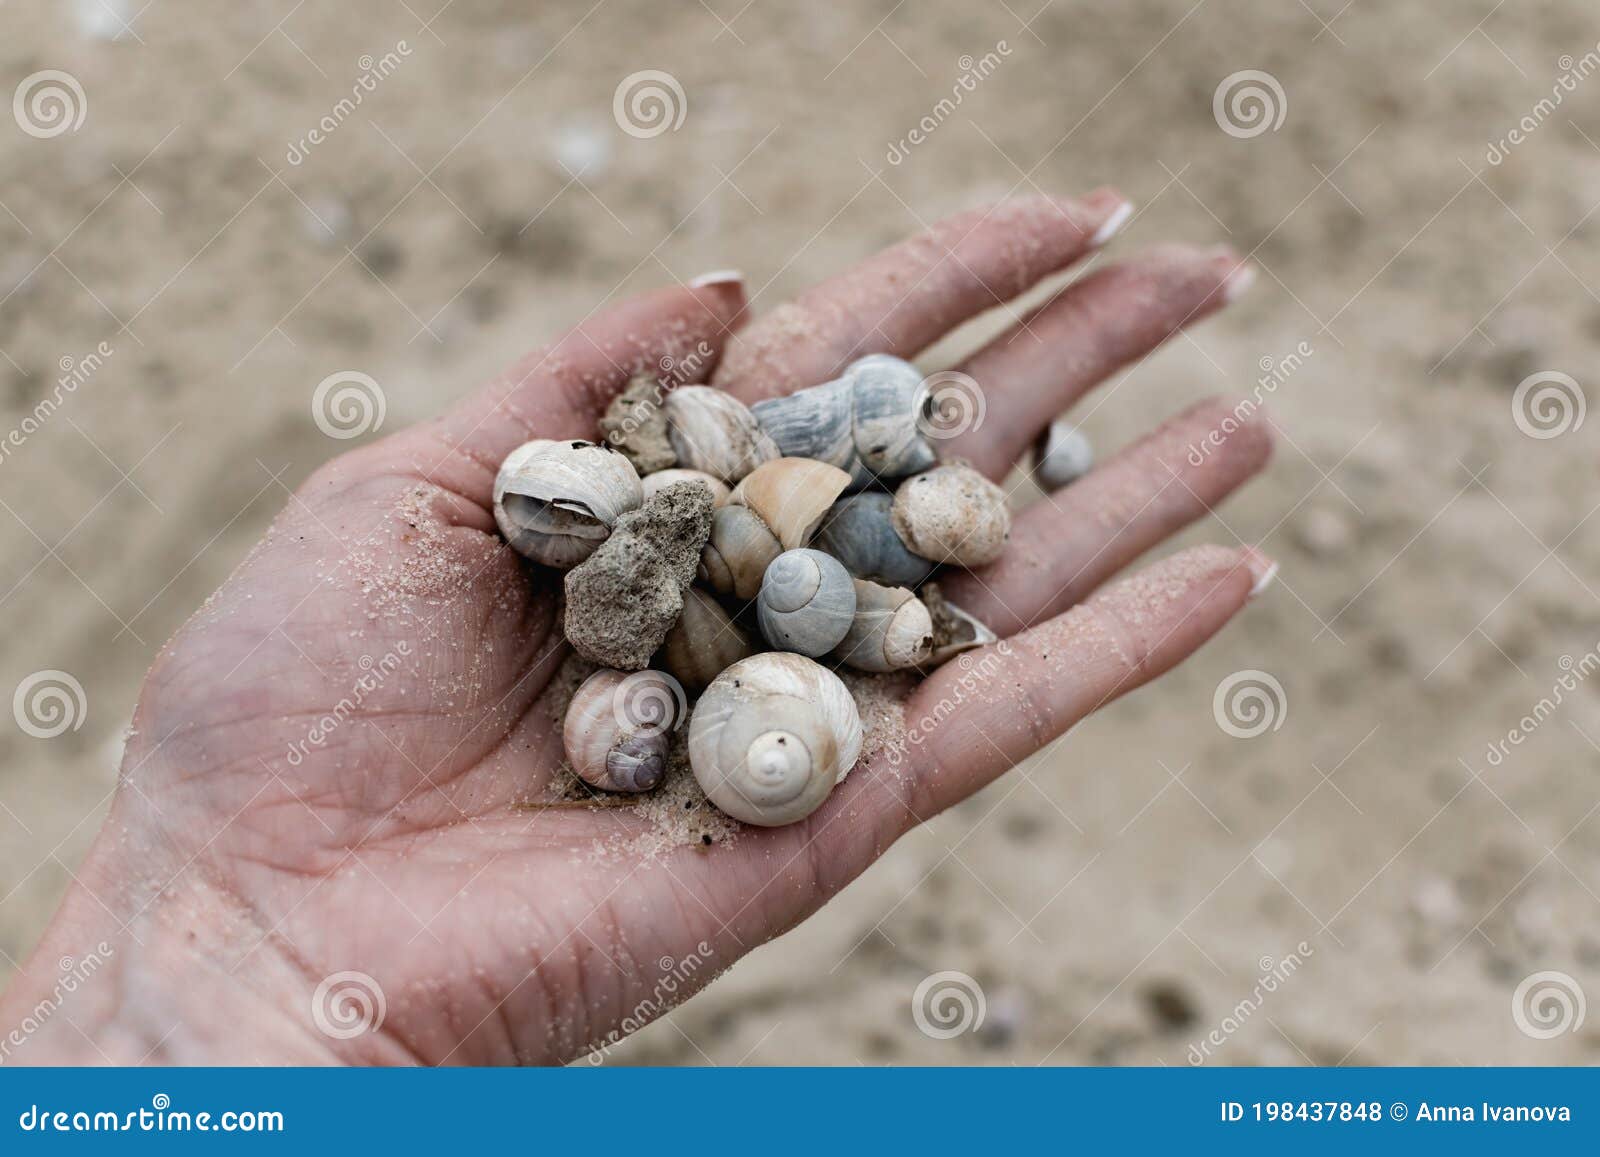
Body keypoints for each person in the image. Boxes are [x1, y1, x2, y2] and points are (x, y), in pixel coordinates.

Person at [0, 189, 1274, 1064]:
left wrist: (204, 994)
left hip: (788, 638)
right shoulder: (695, 568)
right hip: (773, 650)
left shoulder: (762, 554)